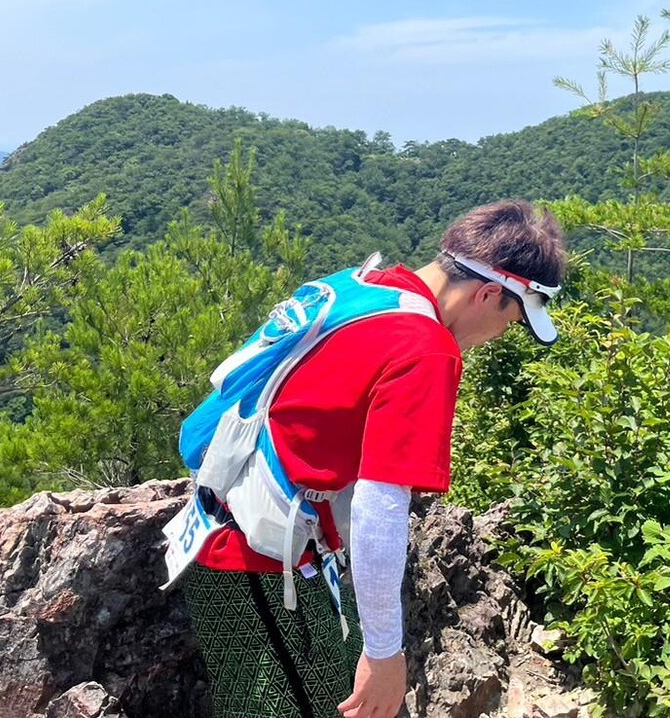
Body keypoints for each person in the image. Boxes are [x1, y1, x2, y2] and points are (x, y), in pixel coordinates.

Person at [182, 199, 567, 718]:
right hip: (264, 565)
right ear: (488, 294)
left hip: (230, 533)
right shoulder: (426, 348)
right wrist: (385, 655)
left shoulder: (359, 285)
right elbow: (380, 505)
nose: (498, 336)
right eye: (512, 321)